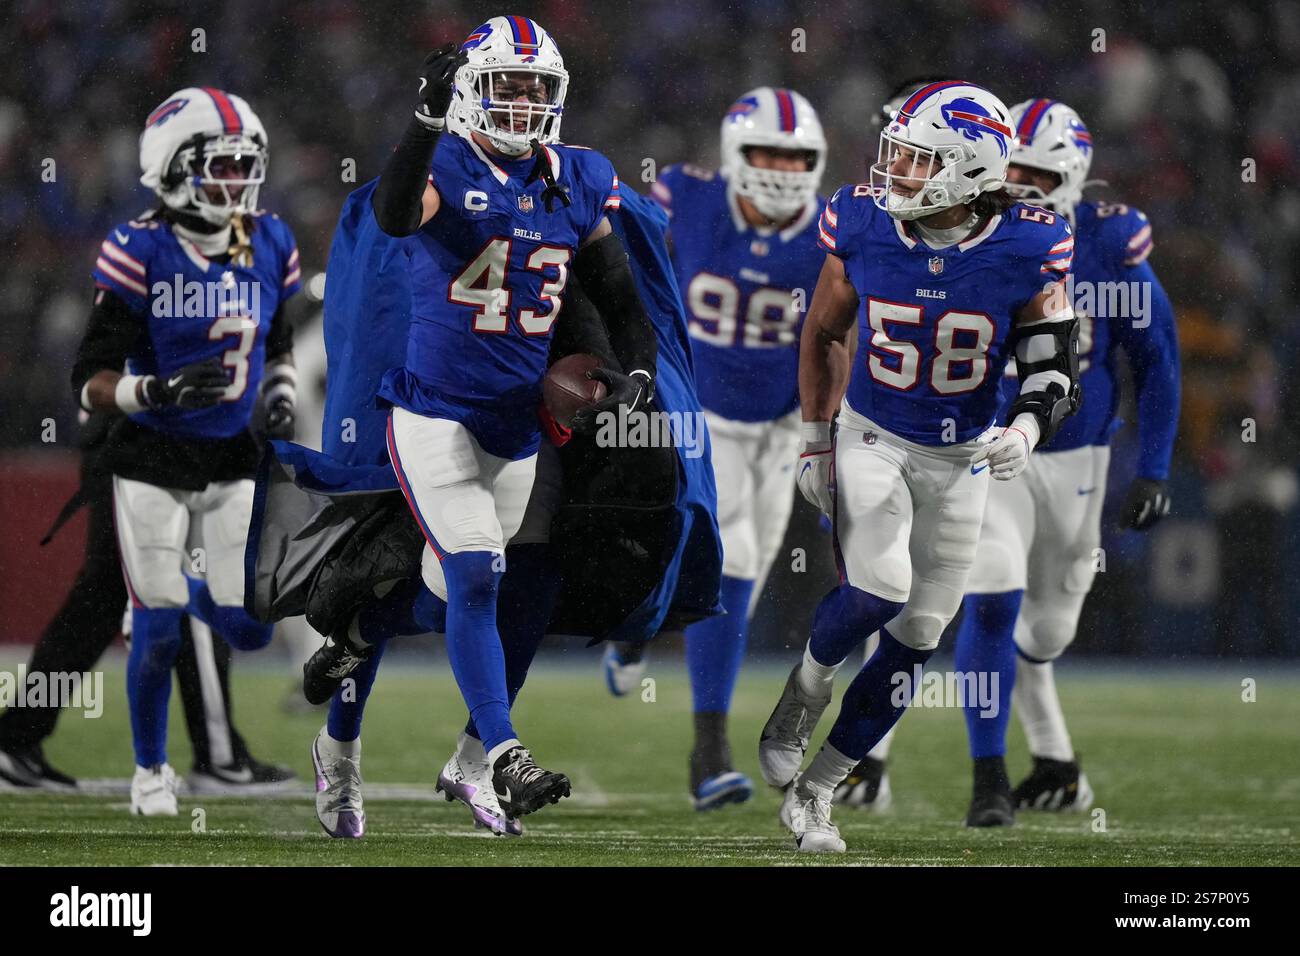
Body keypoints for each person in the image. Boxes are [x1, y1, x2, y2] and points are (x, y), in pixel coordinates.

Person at [299, 15, 662, 832]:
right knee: (474, 576)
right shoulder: (445, 164)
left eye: (539, 87)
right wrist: (421, 123)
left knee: (446, 596)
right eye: (508, 84)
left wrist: (633, 373)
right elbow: (395, 215)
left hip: (516, 425)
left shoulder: (577, 177)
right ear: (469, 92)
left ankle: (359, 628)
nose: (525, 100)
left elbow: (617, 294)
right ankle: (501, 757)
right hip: (431, 412)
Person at [756, 81, 1081, 852]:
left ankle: (819, 792)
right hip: (874, 434)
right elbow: (824, 332)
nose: (893, 171)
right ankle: (804, 689)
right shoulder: (864, 222)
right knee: (880, 588)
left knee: (924, 631)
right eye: (896, 153)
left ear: (969, 172)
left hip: (962, 456)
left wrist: (1029, 430)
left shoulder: (1030, 244)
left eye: (916, 160)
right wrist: (814, 436)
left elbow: (1054, 365)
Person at [71, 87, 299, 814]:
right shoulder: (140, 247)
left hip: (231, 454)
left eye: (244, 166)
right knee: (161, 623)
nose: (236, 182)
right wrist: (154, 392)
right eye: (221, 165)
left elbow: (281, 336)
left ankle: (173, 599)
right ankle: (149, 773)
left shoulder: (269, 239)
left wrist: (283, 392)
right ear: (171, 167)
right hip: (150, 456)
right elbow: (87, 381)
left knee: (251, 626)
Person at [603, 87, 827, 812]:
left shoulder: (830, 230)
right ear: (734, 154)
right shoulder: (688, 198)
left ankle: (634, 627)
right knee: (726, 561)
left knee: (739, 579)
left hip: (783, 423)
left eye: (794, 158)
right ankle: (710, 751)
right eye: (766, 153)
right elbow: (615, 251)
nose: (779, 170)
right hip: (699, 411)